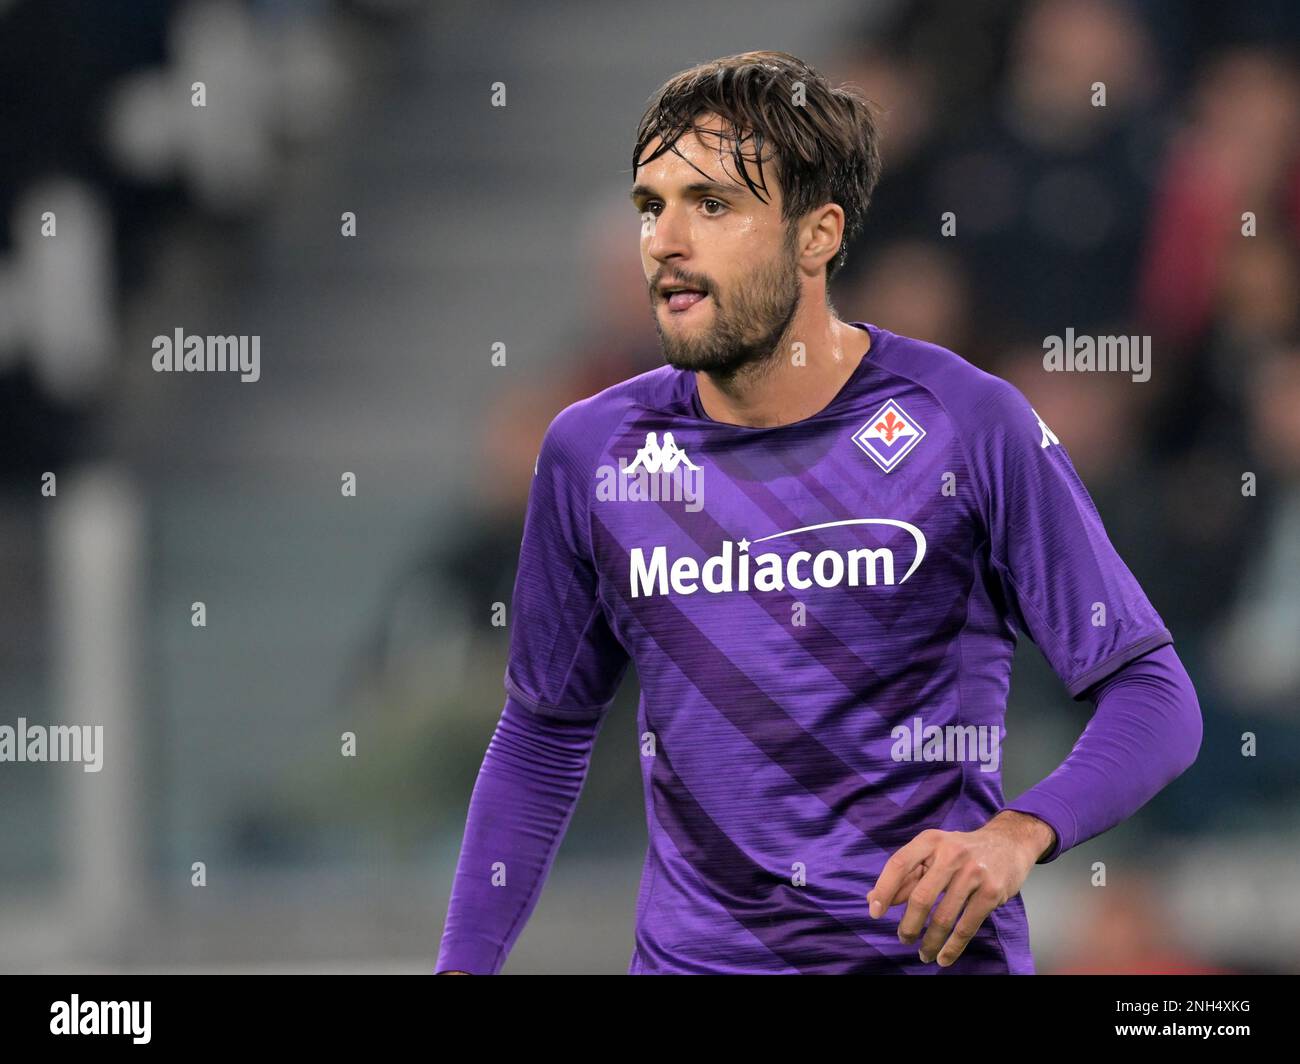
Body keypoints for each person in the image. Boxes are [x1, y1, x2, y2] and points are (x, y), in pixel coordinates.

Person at [436, 50, 1201, 975]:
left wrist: (1017, 834)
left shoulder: (963, 422)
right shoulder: (594, 452)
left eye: (711, 205)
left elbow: (1155, 694)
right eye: (652, 205)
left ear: (817, 235)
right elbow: (543, 731)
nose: (665, 241)